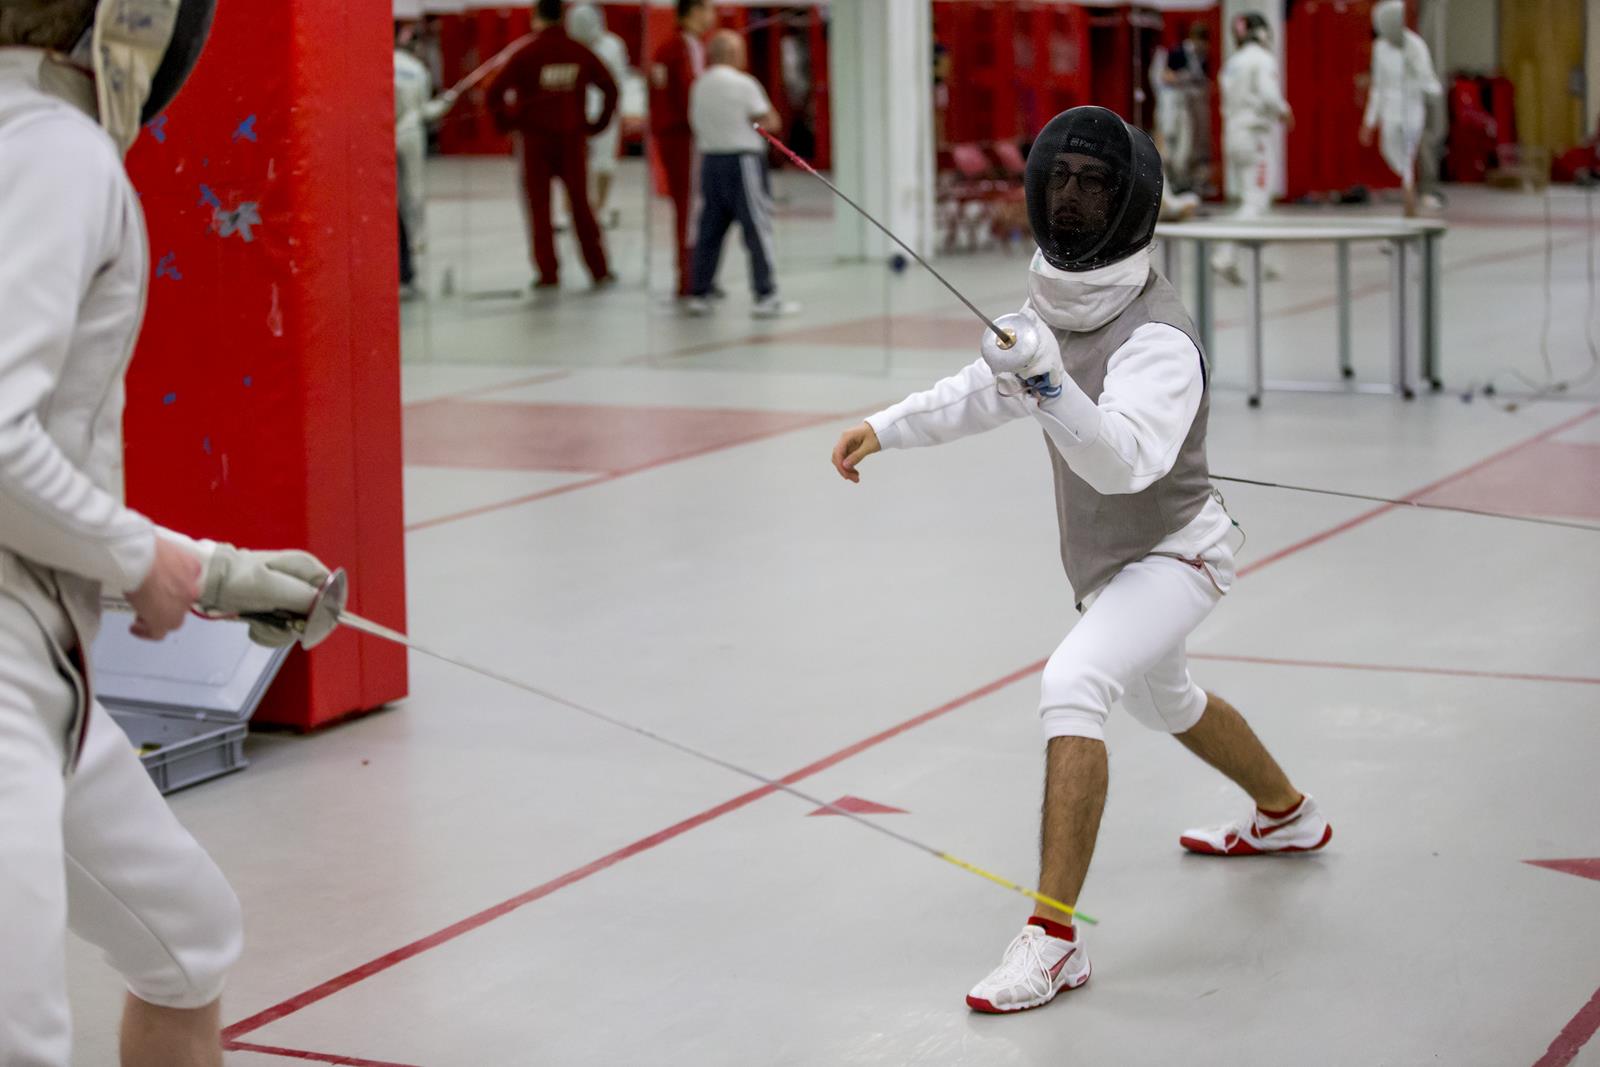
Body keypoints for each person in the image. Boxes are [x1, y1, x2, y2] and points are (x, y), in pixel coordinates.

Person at [829, 106, 1331, 1016]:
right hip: (1110, 565)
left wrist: (1049, 382)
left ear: (1128, 204)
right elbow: (979, 392)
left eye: (1092, 183)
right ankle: (1288, 814)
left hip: (1179, 552)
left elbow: (1126, 459)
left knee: (1076, 680)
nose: (1070, 195)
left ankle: (1053, 937)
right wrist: (885, 427)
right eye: (1060, 178)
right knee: (1166, 698)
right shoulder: (1050, 311)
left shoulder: (1161, 339)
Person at [0, 1, 338, 1062]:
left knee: (188, 932)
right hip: (8, 664)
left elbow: (36, 453)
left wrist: (215, 570)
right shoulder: (55, 147)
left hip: (43, 656)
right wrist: (145, 558)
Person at [488, 0, 618, 291]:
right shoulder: (579, 52)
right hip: (572, 139)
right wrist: (596, 124)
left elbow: (494, 92)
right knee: (581, 206)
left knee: (540, 208)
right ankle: (598, 268)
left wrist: (509, 124)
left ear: (536, 17)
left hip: (536, 142)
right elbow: (610, 87)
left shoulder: (525, 53)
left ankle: (548, 272)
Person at [682, 30, 798, 319]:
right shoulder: (744, 84)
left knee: (709, 229)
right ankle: (766, 294)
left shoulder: (700, 85)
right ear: (733, 54)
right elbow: (771, 120)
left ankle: (701, 292)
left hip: (710, 163)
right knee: (757, 227)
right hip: (743, 162)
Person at [1212, 12, 1292, 285]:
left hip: (1233, 134)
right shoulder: (1263, 59)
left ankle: (1266, 262)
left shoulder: (1232, 63)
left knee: (1255, 197)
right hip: (1255, 136)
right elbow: (1270, 96)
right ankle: (1225, 255)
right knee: (1255, 201)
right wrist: (1284, 111)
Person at [649, 0, 714, 302]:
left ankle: (697, 275)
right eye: (707, 9)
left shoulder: (683, 47)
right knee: (689, 208)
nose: (712, 16)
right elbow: (691, 94)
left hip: (677, 135)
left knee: (693, 207)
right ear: (693, 13)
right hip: (683, 138)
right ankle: (689, 279)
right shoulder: (679, 49)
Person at [1361, 0, 1444, 216]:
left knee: (1408, 150)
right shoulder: (1380, 49)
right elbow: (1377, 87)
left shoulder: (1415, 46)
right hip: (1390, 108)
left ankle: (1409, 186)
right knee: (1388, 149)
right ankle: (1407, 180)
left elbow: (1428, 78)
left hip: (1412, 106)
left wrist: (1422, 81)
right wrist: (1369, 121)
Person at [395, 18, 457, 298]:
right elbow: (425, 111)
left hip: (383, 137)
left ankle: (401, 244)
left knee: (390, 197)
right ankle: (416, 240)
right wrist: (445, 104)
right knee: (414, 190)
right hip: (410, 133)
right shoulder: (416, 68)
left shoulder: (373, 66)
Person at [565, 2, 627, 229]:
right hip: (573, 113)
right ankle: (568, 211)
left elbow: (618, 80)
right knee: (572, 164)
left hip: (605, 111)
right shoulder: (567, 46)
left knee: (604, 163)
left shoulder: (612, 45)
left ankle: (600, 208)